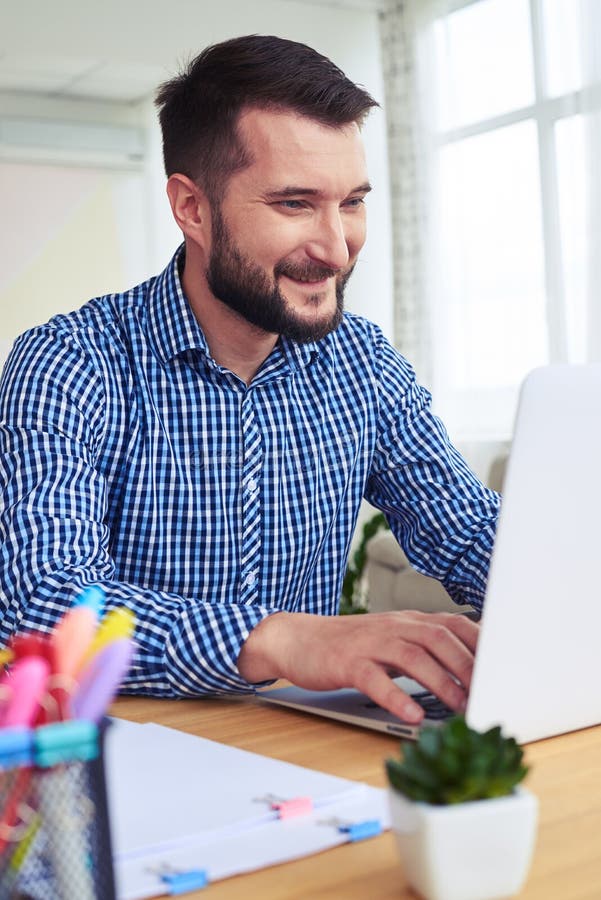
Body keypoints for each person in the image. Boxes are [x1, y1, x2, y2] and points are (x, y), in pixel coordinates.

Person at [0, 35, 500, 724]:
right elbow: (44, 607)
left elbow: (470, 531)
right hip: (121, 760)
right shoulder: (70, 363)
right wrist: (280, 638)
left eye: (350, 201)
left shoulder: (363, 362)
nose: (335, 247)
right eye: (295, 204)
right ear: (192, 209)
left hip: (307, 756)